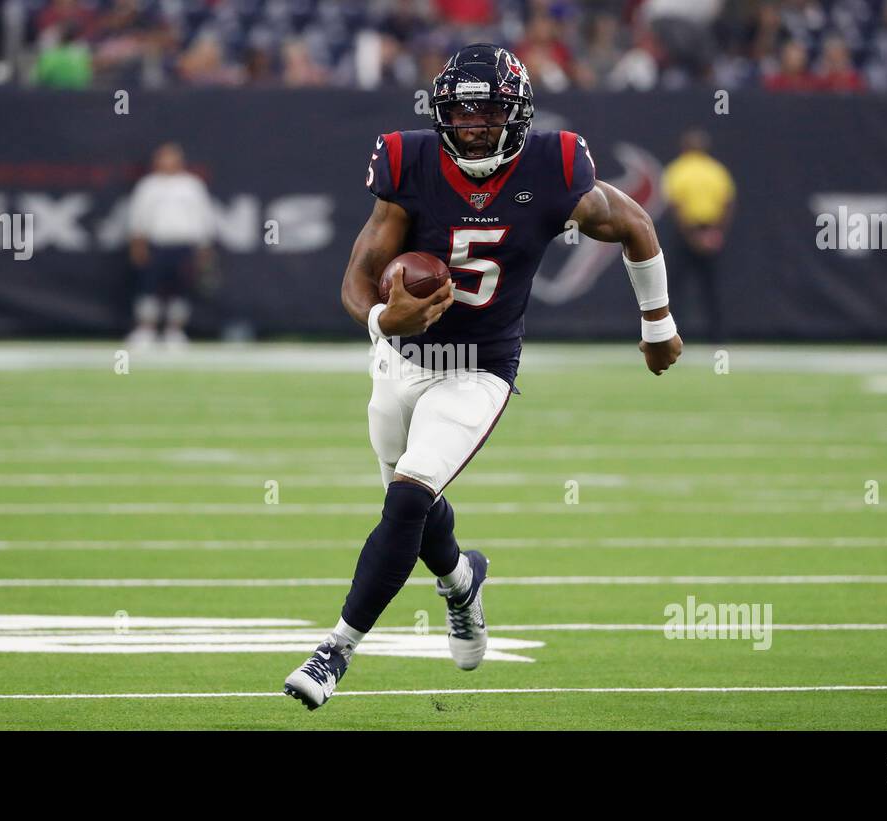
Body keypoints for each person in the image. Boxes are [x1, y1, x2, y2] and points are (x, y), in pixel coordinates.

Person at [283, 43, 683, 710]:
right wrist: (386, 316)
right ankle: (462, 578)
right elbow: (356, 276)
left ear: (516, 114)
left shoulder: (555, 167)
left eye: (486, 111)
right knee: (415, 511)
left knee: (407, 501)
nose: (471, 124)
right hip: (400, 361)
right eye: (460, 112)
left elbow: (636, 223)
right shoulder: (409, 161)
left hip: (479, 366)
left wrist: (657, 323)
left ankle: (335, 651)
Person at [126, 143, 214, 349]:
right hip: (156, 245)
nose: (166, 162)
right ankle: (145, 330)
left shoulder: (192, 186)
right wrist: (138, 244)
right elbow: (138, 216)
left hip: (184, 245)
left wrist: (204, 246)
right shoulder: (148, 186)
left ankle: (174, 332)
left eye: (171, 157)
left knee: (180, 290)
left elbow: (203, 216)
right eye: (162, 158)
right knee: (148, 288)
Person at [662, 129, 735, 343]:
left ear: (684, 148)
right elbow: (728, 203)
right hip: (710, 229)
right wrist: (716, 233)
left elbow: (675, 206)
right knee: (711, 287)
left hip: (685, 232)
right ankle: (717, 337)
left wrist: (692, 237)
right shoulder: (716, 170)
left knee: (674, 286)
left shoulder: (678, 169)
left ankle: (670, 335)